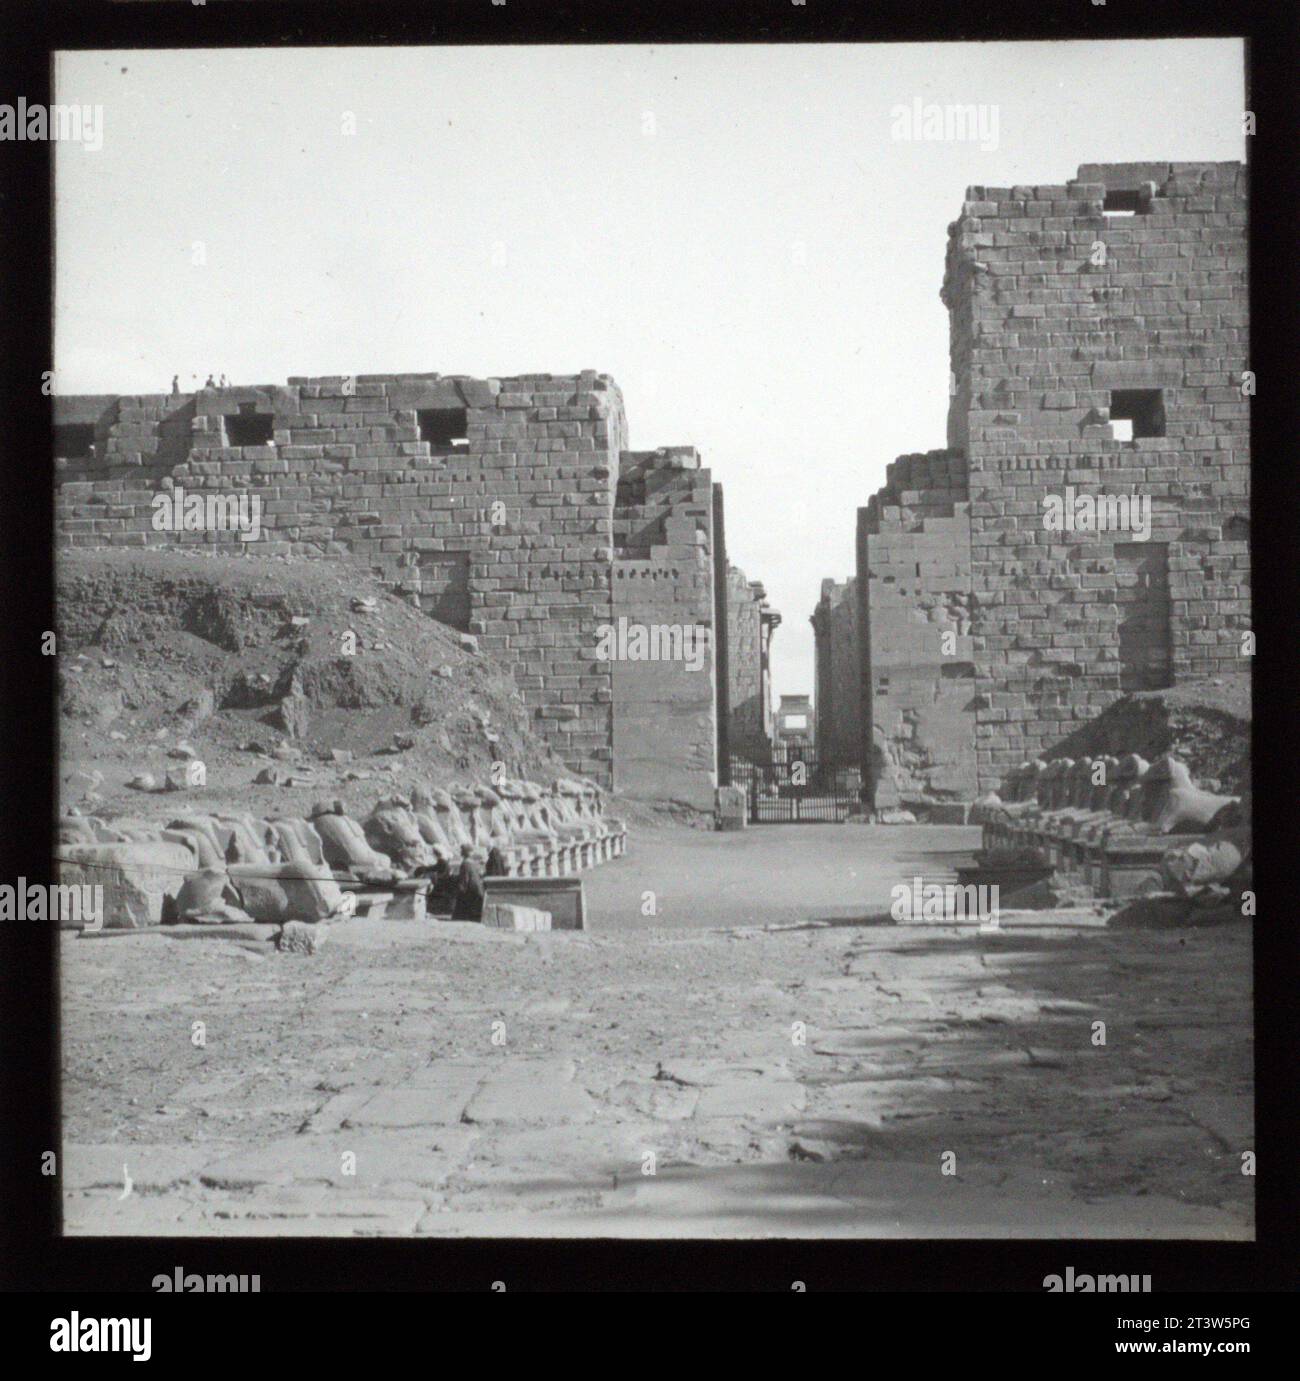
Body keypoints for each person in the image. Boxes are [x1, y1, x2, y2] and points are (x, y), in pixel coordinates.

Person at [450, 844, 485, 921]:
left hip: (471, 891)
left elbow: (464, 880)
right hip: (477, 890)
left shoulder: (465, 863)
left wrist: (460, 889)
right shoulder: (473, 863)